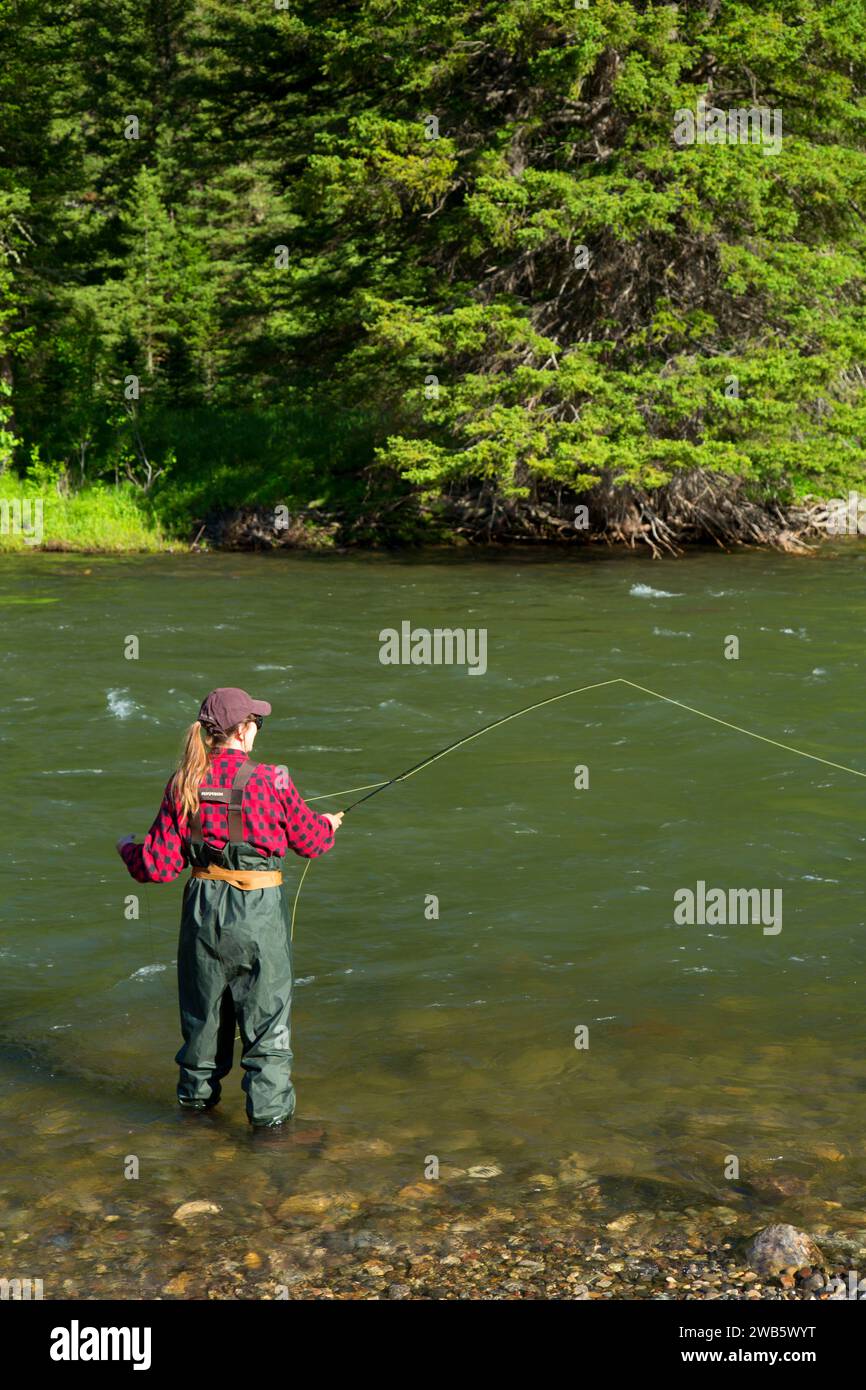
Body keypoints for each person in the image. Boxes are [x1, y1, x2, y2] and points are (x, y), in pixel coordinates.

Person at [116, 687, 342, 1129]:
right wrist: (328, 825)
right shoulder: (273, 778)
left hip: (202, 912)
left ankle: (195, 1127)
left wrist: (127, 848)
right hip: (258, 913)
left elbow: (157, 868)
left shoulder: (184, 781)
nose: (258, 728)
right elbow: (311, 842)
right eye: (256, 721)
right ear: (241, 729)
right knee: (268, 1030)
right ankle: (271, 1138)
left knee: (203, 1025)